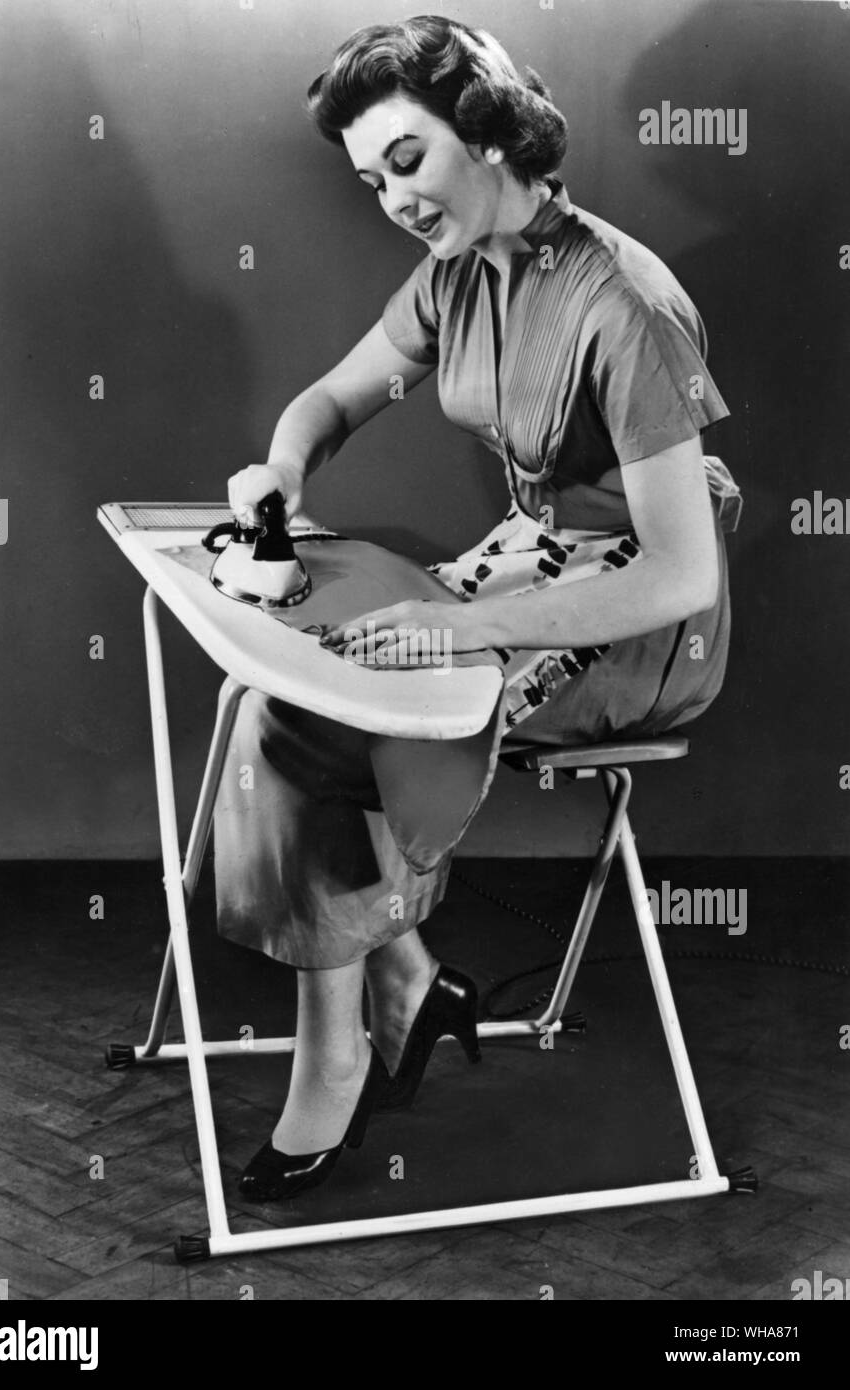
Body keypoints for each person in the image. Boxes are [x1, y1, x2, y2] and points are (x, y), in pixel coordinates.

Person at [222, 14, 735, 1202]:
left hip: (639, 617)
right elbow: (328, 403)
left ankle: (337, 1054)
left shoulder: (627, 303)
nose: (393, 198)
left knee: (331, 714)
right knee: (286, 685)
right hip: (526, 567)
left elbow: (680, 572)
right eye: (370, 181)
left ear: (488, 131)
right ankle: (400, 982)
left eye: (407, 161)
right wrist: (281, 472)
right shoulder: (453, 275)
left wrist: (467, 629)